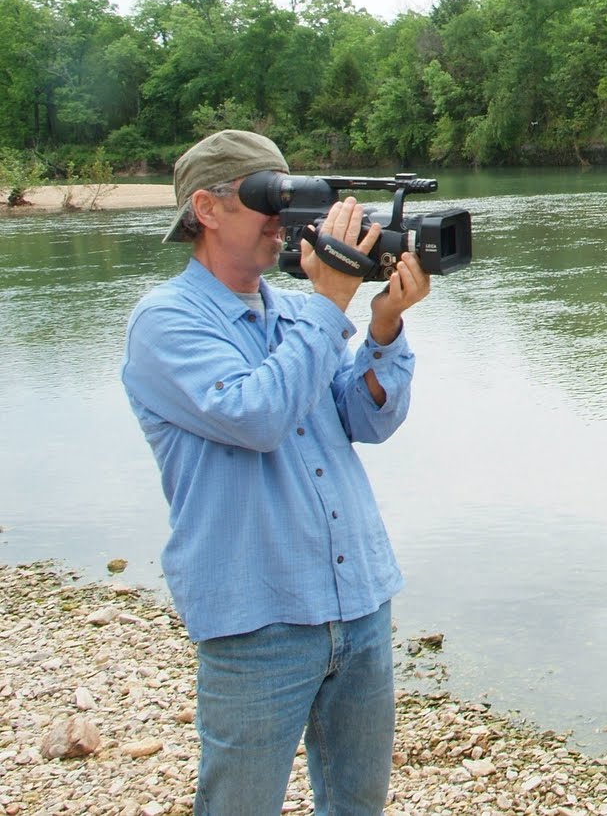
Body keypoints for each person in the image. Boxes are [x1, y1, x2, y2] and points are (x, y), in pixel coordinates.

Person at [121, 129, 432, 815]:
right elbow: (256, 415)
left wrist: (381, 328)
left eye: (295, 201)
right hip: (257, 617)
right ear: (206, 207)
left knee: (357, 804)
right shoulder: (165, 323)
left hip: (357, 601)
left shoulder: (295, 310)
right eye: (271, 201)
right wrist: (331, 302)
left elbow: (367, 420)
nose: (287, 223)